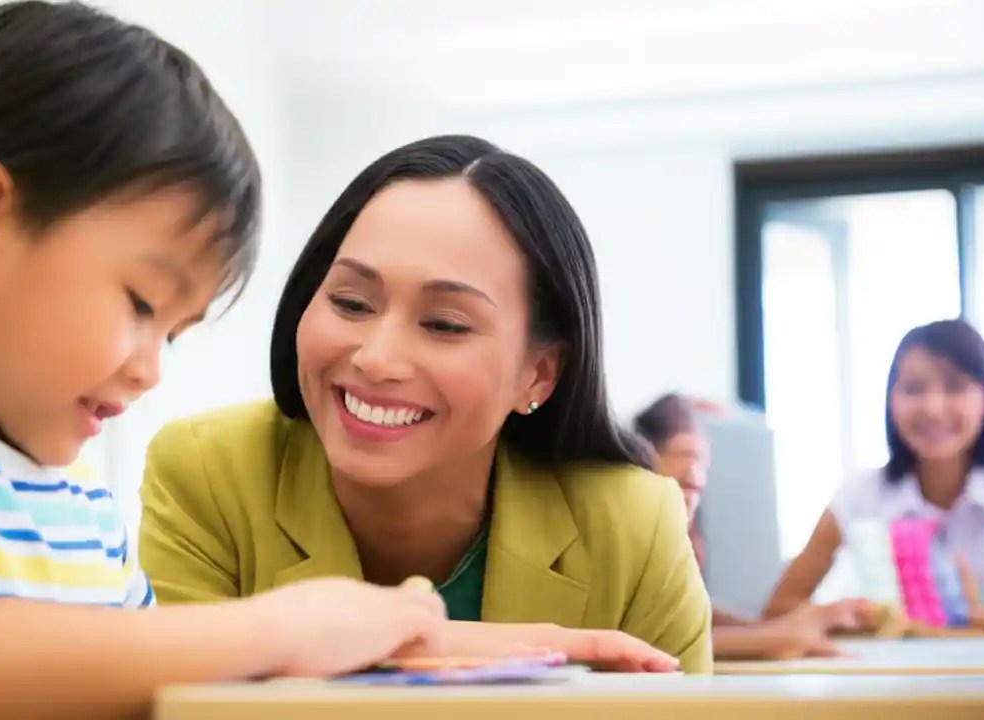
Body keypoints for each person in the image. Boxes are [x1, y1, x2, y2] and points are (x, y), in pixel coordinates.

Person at [0, 4, 455, 717]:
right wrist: (282, 627)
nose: (148, 370)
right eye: (140, 303)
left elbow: (151, 688)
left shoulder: (79, 507)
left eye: (171, 333)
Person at [140, 134, 712, 674]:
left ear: (537, 374)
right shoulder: (208, 473)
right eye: (350, 302)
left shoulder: (634, 527)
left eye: (444, 324)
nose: (377, 357)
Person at [765, 319, 984, 631]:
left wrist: (969, 614)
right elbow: (779, 609)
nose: (933, 408)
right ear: (891, 401)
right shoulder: (860, 494)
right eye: (914, 389)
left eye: (954, 386)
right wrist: (850, 616)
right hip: (897, 675)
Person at [634, 394, 862, 660]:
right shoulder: (634, 531)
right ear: (644, 456)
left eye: (704, 462)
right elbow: (654, 638)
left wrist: (775, 630)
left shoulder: (685, 536)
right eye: (686, 454)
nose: (697, 475)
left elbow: (688, 611)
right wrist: (780, 637)